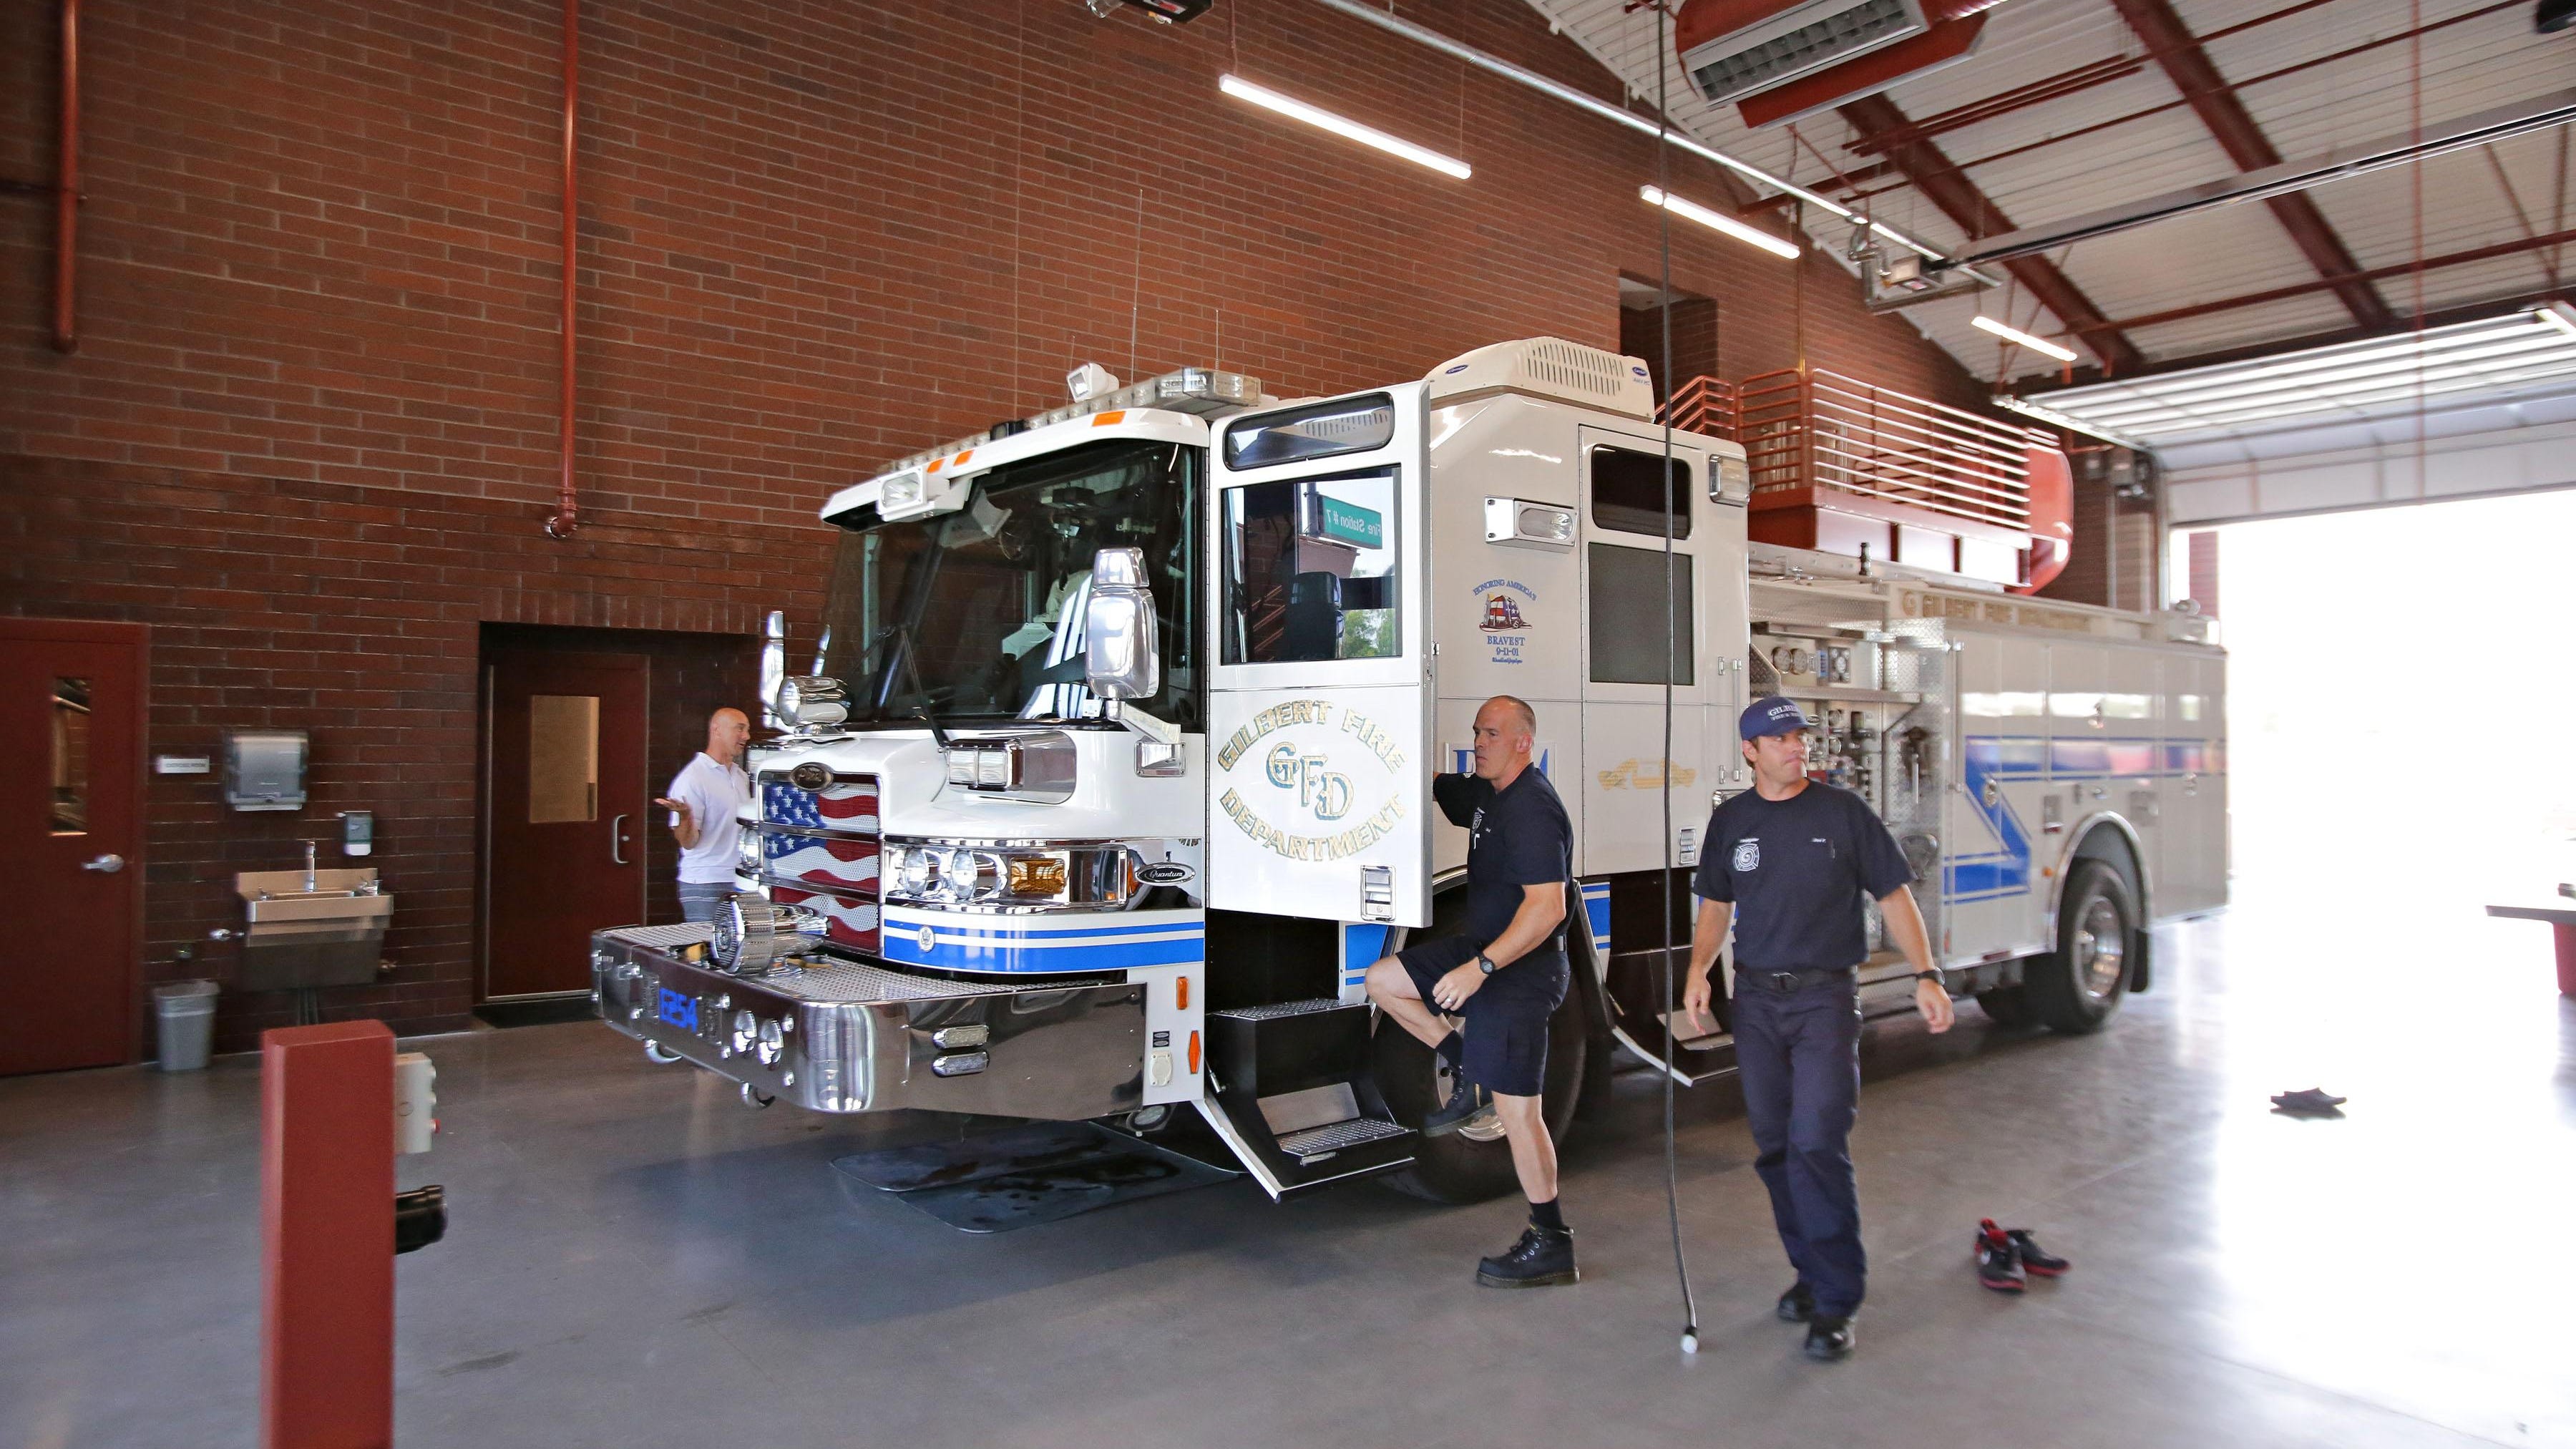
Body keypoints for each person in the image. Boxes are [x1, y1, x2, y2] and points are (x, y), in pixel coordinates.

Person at [1680, 696, 1955, 1362]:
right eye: (1780, 739)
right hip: (1756, 1003)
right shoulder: (1732, 821)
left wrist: (1926, 972)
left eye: (1799, 736)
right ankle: (1809, 1271)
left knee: (1816, 1143)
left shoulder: (1842, 814)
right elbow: (1717, 903)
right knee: (1775, 1148)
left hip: (1825, 1001)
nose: (1795, 746)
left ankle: (1836, 1300)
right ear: (1750, 750)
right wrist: (1697, 972)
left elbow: (1894, 893)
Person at [1365, 695, 1578, 1289]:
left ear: (1522, 742)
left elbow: (1546, 908)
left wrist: (1480, 968)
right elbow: (1442, 786)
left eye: (1490, 733)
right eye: (1476, 732)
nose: (1477, 742)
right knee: (1383, 981)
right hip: (1483, 950)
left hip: (1521, 970)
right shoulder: (1488, 792)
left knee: (1519, 1116)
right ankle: (1465, 1065)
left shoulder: (1534, 809)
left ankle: (1551, 1239)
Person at [653, 707, 752, 924]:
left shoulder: (740, 777)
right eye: (740, 729)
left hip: (739, 880)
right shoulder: (693, 778)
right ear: (717, 730)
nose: (746, 736)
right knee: (707, 951)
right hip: (706, 882)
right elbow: (688, 842)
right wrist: (685, 816)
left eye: (747, 730)